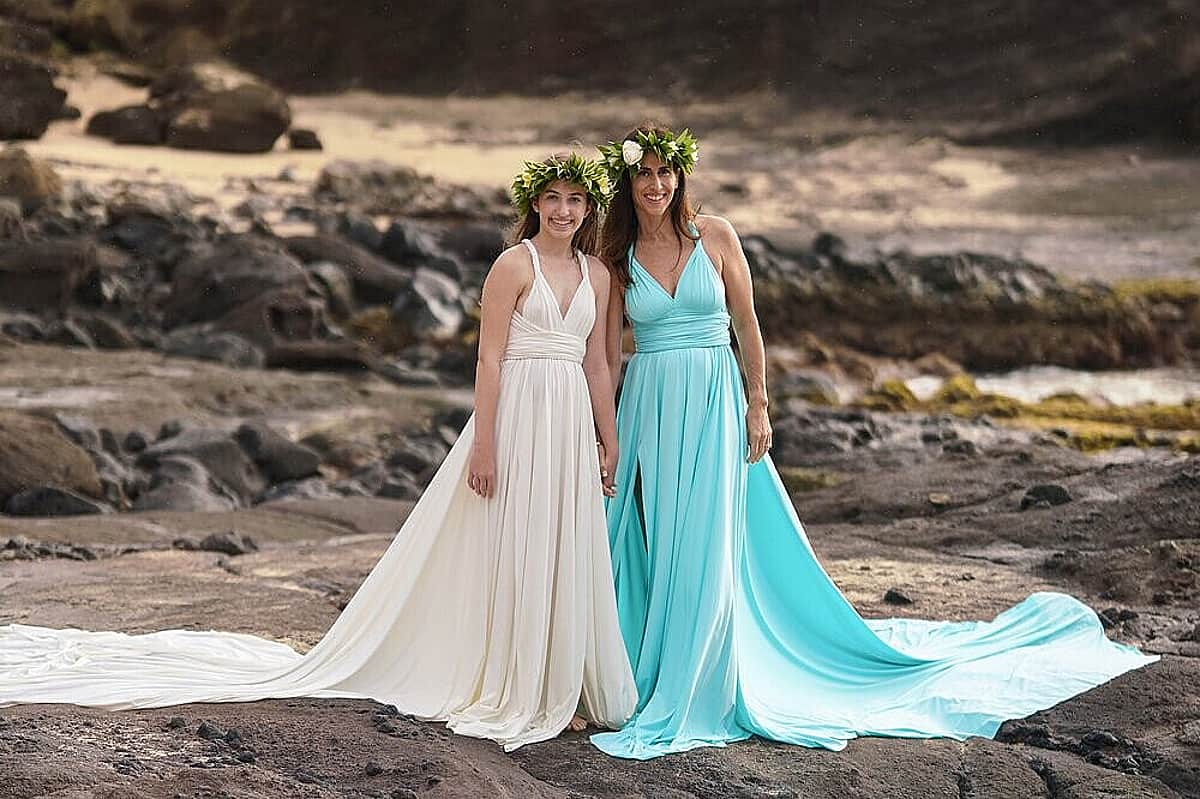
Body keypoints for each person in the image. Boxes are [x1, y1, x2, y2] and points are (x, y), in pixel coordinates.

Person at [0, 153, 636, 753]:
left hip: (569, 424)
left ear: (589, 208)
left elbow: (598, 363)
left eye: (575, 200)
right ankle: (515, 680)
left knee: (561, 544)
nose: (563, 210)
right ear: (535, 204)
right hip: (520, 414)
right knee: (514, 541)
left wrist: (607, 439)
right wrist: (486, 444)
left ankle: (561, 682)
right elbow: (489, 357)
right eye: (552, 198)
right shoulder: (512, 266)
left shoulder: (598, 275)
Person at [590, 124, 1157, 759]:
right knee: (664, 538)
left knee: (709, 541)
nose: (657, 185)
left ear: (681, 178)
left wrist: (758, 402)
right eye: (645, 174)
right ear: (628, 182)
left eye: (667, 173)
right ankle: (663, 665)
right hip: (653, 409)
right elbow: (609, 358)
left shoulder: (715, 236)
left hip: (715, 401)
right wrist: (607, 435)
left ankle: (704, 677)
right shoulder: (616, 260)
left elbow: (748, 326)